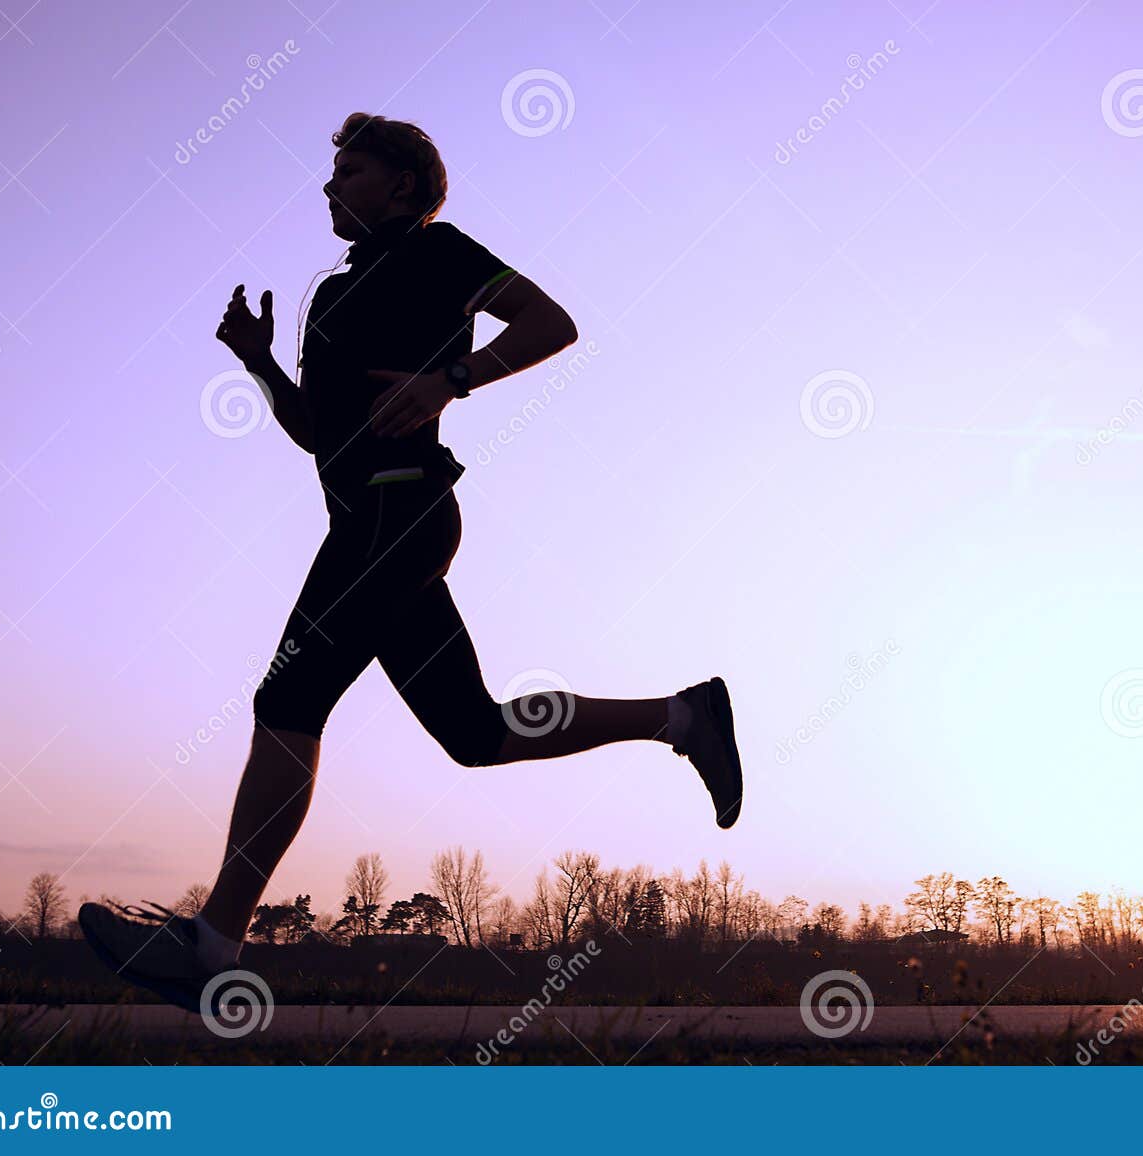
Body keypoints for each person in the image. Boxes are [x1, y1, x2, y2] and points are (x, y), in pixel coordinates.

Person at [77, 112, 743, 1013]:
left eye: (350, 172)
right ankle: (684, 716)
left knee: (288, 700)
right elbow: (316, 433)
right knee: (475, 733)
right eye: (332, 173)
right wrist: (260, 365)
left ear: (402, 184)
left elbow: (551, 323)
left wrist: (451, 380)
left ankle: (211, 946)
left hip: (400, 511)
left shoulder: (438, 252)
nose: (330, 186)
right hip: (368, 522)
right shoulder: (332, 295)